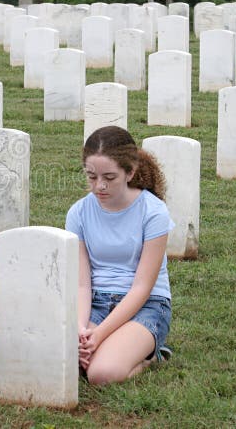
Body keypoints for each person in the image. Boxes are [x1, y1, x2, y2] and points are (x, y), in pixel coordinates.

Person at [65, 126, 173, 385]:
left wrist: (99, 334)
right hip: (95, 301)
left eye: (109, 177)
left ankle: (153, 355)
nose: (99, 186)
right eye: (91, 176)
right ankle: (110, 348)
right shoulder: (78, 213)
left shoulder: (154, 212)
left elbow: (142, 287)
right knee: (65, 360)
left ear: (130, 172)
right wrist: (81, 329)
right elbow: (82, 282)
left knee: (101, 374)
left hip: (146, 305)